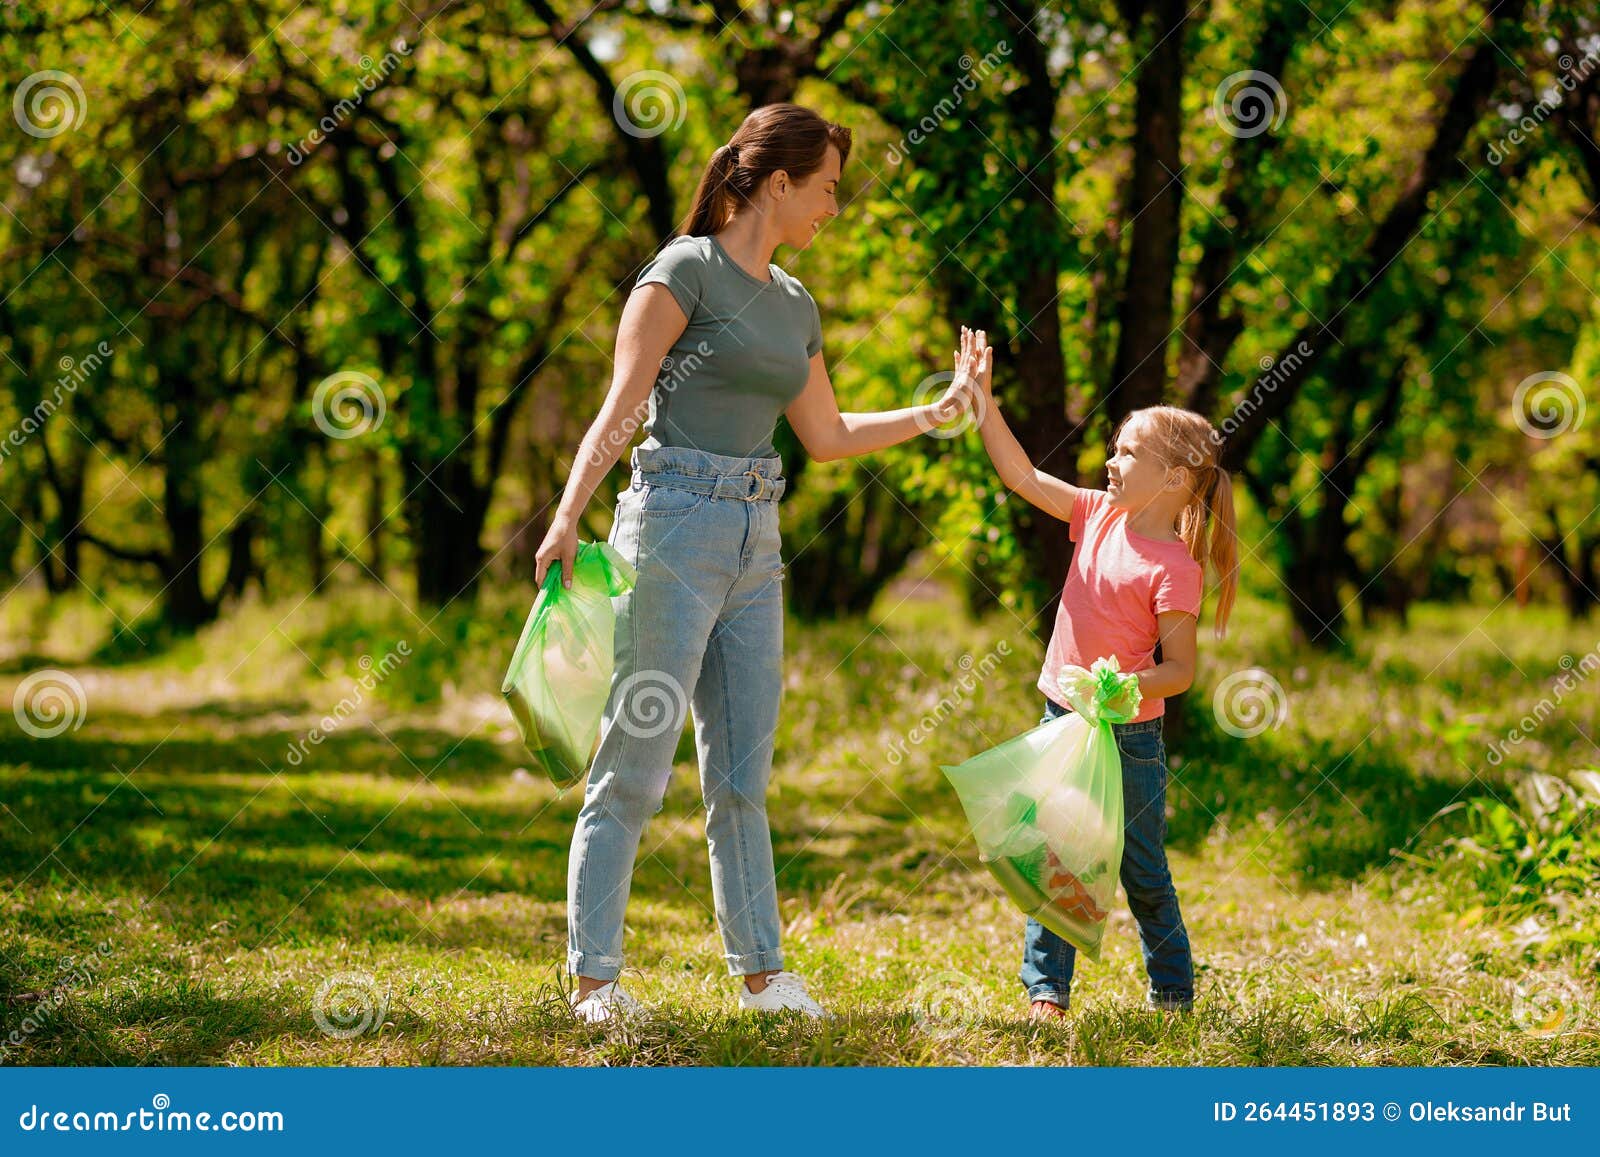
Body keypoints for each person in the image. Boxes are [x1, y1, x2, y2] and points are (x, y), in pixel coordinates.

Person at [534, 104, 978, 1022]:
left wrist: (938, 412)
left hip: (755, 536)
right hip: (670, 529)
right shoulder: (682, 272)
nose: (833, 209)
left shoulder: (794, 302)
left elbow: (825, 433)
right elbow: (622, 406)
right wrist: (569, 513)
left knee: (741, 776)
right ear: (776, 183)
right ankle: (594, 979)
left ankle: (764, 974)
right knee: (635, 765)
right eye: (825, 190)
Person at [956, 327, 1238, 1016]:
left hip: (1129, 739)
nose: (1110, 461)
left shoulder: (1175, 568)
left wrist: (1125, 686)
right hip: (1063, 720)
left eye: (1127, 452)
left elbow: (1179, 671)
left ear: (1173, 479)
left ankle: (1172, 988)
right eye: (1113, 449)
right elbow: (1021, 477)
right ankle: (1046, 991)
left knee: (1142, 870)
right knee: (1059, 853)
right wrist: (984, 404)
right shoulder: (1097, 515)